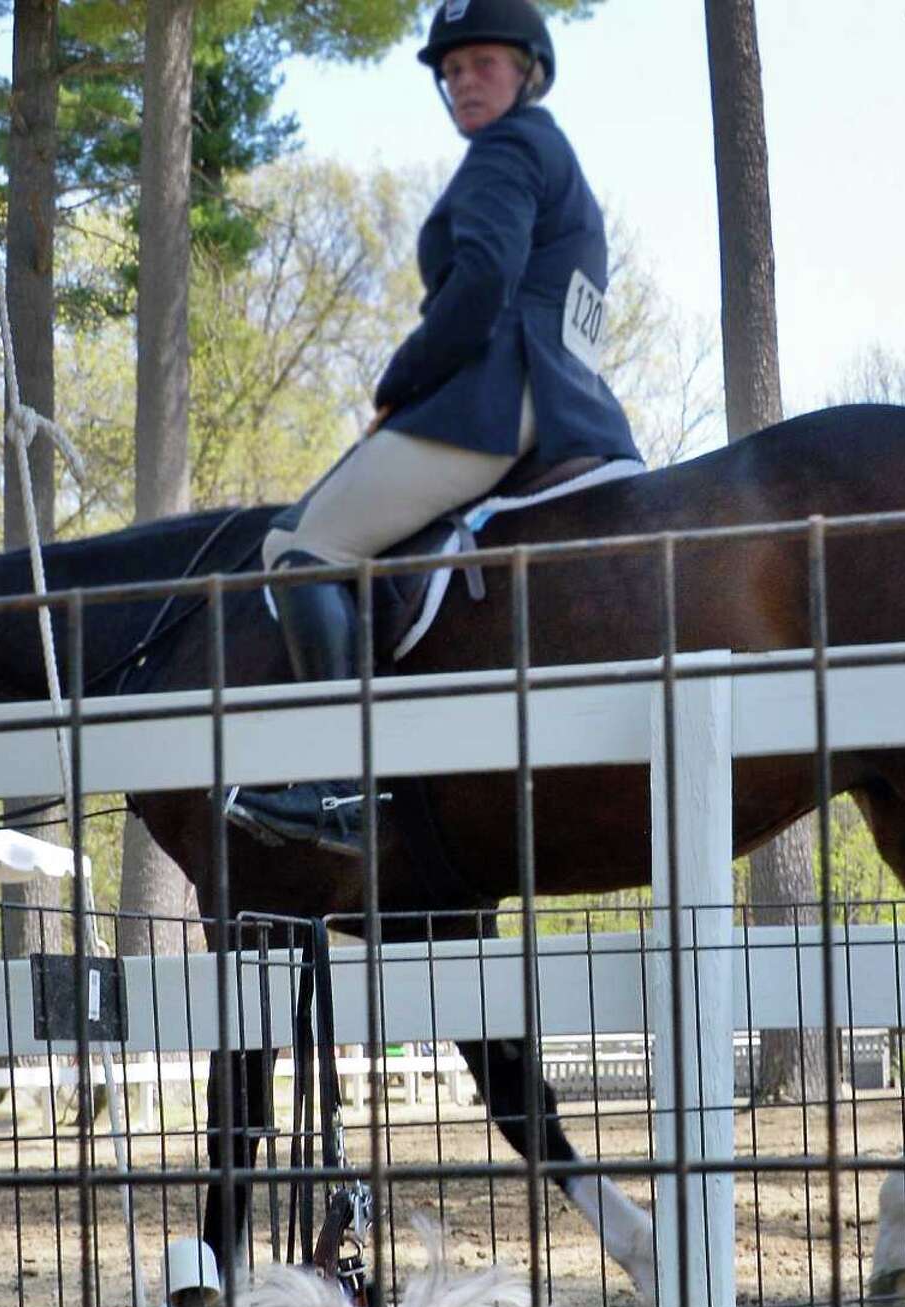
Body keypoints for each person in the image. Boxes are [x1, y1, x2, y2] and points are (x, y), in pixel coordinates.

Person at [249, 0, 640, 836]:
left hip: (499, 400)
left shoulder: (508, 146)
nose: (464, 81)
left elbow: (484, 283)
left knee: (303, 547)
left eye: (484, 64)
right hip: (569, 404)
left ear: (527, 70)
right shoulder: (551, 149)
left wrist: (400, 379)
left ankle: (338, 793)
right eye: (452, 70)